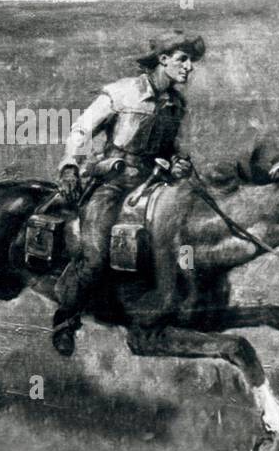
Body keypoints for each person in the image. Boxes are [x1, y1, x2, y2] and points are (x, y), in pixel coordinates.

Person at [50, 30, 206, 356]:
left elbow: (173, 149)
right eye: (183, 59)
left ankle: (150, 315)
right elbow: (82, 128)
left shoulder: (176, 104)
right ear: (162, 59)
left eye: (191, 61)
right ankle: (65, 318)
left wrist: (178, 163)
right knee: (96, 257)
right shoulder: (122, 93)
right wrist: (70, 166)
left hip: (152, 185)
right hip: (112, 183)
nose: (189, 67)